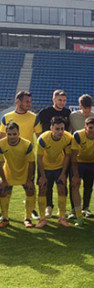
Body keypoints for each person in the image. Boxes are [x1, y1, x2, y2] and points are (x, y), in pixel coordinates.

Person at [0, 91, 42, 219]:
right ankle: (4, 212)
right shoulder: (6, 117)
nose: (29, 104)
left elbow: (40, 138)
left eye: (30, 101)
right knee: (6, 187)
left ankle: (32, 210)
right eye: (27, 101)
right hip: (10, 159)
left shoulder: (34, 117)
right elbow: (2, 139)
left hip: (27, 159)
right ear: (18, 101)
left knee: (30, 186)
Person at [35, 116, 73, 228]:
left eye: (62, 129)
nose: (60, 131)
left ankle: (62, 217)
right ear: (51, 128)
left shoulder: (68, 138)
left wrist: (63, 174)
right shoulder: (43, 139)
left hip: (59, 167)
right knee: (42, 189)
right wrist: (42, 176)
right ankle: (42, 219)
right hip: (45, 167)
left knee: (61, 188)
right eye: (57, 129)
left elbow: (68, 156)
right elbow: (39, 158)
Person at [71, 117, 94, 226]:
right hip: (80, 162)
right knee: (75, 185)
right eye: (90, 128)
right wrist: (76, 175)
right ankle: (79, 216)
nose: (93, 130)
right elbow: (73, 156)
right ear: (85, 128)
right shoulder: (77, 135)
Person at [0, 122, 36, 228]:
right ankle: (5, 218)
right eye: (9, 134)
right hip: (9, 173)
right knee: (2, 190)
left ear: (19, 133)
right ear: (6, 134)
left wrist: (29, 180)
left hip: (24, 173)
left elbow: (31, 163)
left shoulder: (27, 144)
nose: (12, 137)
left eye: (14, 134)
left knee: (30, 190)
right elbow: (0, 164)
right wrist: (4, 180)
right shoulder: (1, 144)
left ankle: (28, 218)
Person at [69, 94, 94, 217]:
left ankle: (86, 208)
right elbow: (69, 132)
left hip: (90, 156)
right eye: (85, 108)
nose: (87, 111)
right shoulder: (73, 116)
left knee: (88, 184)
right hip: (76, 155)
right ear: (80, 106)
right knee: (74, 183)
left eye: (89, 108)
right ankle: (74, 209)